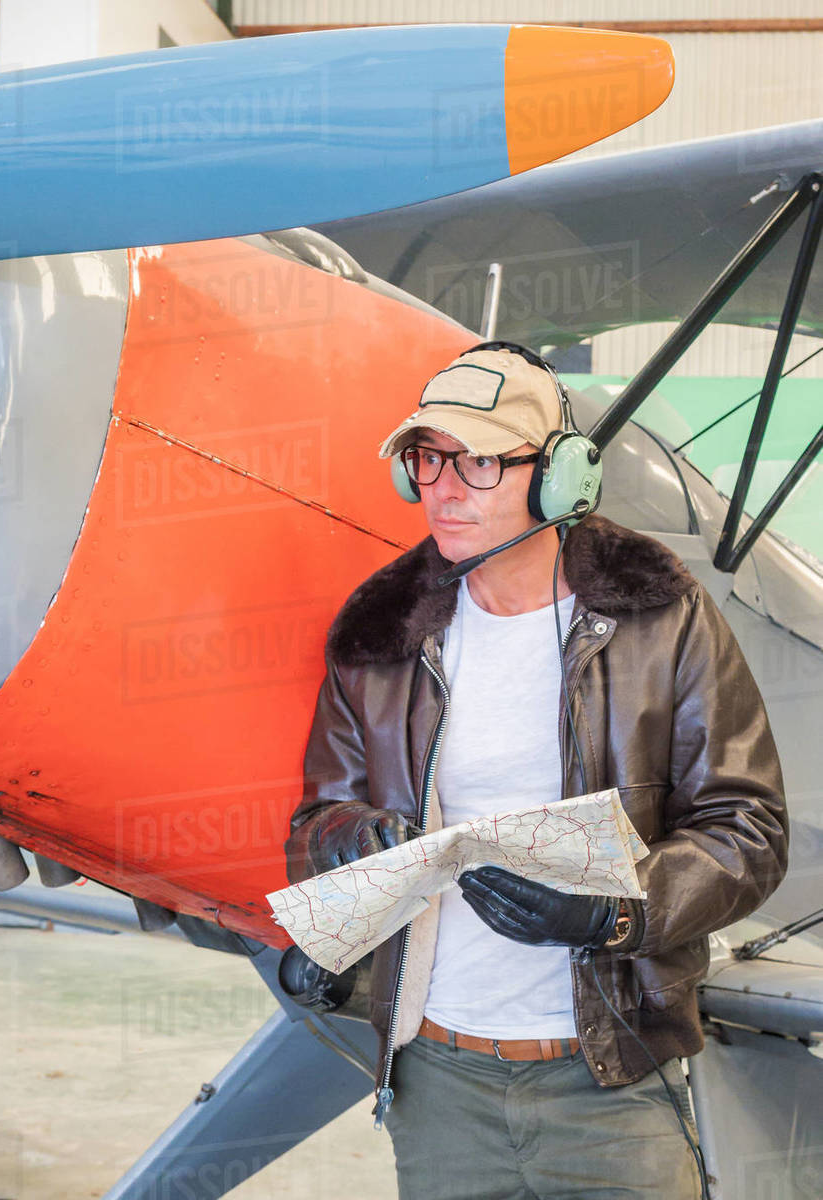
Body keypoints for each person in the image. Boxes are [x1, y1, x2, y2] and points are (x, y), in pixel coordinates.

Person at [285, 342, 788, 1200]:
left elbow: (749, 830)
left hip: (611, 1080)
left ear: (562, 476)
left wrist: (618, 909)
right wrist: (349, 844)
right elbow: (316, 824)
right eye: (427, 457)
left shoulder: (659, 619)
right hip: (436, 1079)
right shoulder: (382, 635)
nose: (442, 486)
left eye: (479, 460)